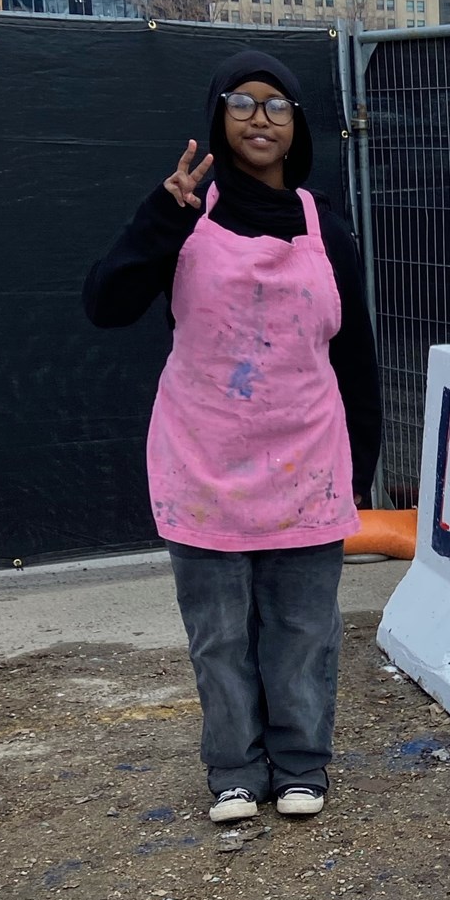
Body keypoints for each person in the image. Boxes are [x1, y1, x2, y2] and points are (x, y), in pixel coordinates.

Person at [83, 49, 381, 825]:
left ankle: (302, 763)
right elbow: (105, 304)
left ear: (297, 126)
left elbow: (355, 357)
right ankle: (236, 769)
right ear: (218, 117)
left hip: (307, 466)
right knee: (218, 636)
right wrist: (158, 217)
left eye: (277, 104)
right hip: (203, 466)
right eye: (242, 102)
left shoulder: (328, 231)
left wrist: (359, 468)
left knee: (303, 632)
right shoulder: (185, 219)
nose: (259, 117)